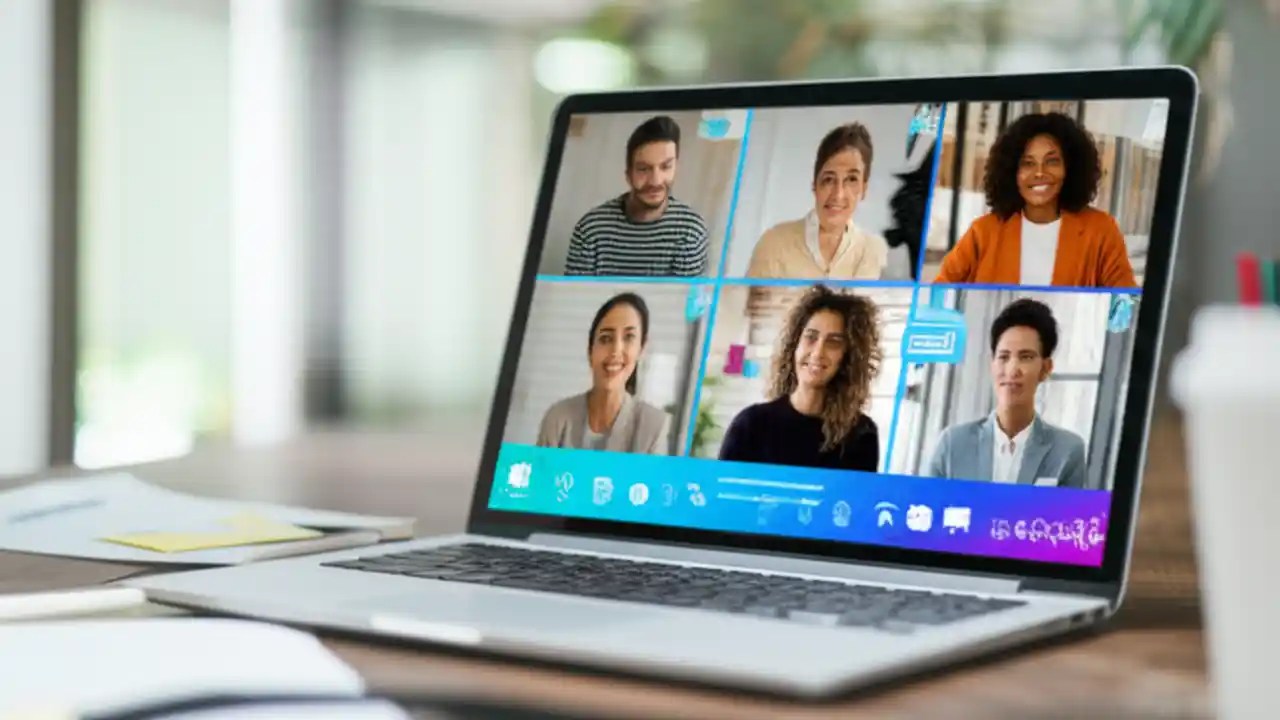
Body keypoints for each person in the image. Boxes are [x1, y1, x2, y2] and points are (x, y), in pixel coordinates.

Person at [933, 112, 1137, 288]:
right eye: (1027, 163)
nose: (1040, 173)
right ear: (1012, 171)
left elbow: (1125, 303)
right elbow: (938, 295)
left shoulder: (1100, 230)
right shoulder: (983, 232)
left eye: (1052, 161)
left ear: (1071, 168)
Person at [927, 298, 1087, 488]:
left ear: (1045, 368)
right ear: (992, 364)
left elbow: (1069, 516)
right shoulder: (952, 444)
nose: (1012, 370)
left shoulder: (1067, 451)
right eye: (1003, 357)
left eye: (1026, 357)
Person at [719, 285, 881, 471]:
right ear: (795, 345)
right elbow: (722, 494)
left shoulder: (862, 435)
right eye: (811, 337)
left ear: (847, 357)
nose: (818, 352)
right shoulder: (752, 424)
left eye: (834, 342)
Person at [564, 116, 709, 277]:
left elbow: (684, 300)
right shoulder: (591, 229)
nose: (656, 181)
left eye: (666, 167)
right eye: (643, 169)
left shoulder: (690, 230)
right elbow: (576, 298)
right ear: (628, 174)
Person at [746, 123, 888, 279]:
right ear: (814, 185)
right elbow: (746, 302)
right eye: (828, 179)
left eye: (851, 179)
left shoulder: (874, 252)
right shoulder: (774, 243)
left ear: (864, 189)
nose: (838, 194)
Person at [537, 293, 671, 454]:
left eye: (629, 337)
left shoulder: (654, 426)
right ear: (590, 351)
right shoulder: (558, 417)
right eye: (606, 339)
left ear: (641, 349)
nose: (616, 351)